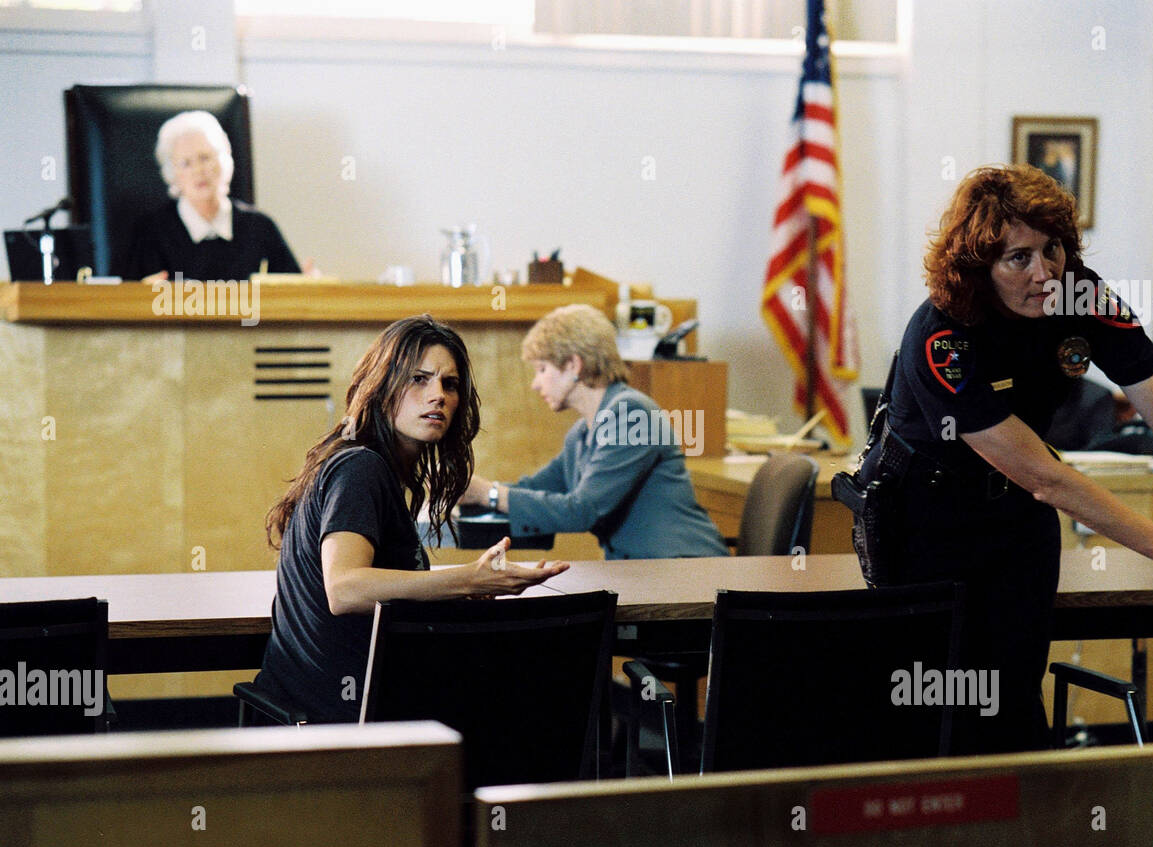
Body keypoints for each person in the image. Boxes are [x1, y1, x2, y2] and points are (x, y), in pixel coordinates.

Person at [843, 164, 1153, 754]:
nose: (1044, 274)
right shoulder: (943, 336)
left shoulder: (1080, 293)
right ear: (981, 267)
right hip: (926, 520)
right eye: (1019, 259)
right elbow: (1048, 477)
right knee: (937, 707)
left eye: (1053, 249)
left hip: (1015, 519)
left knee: (1011, 703)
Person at [256, 315, 568, 722]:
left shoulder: (375, 468)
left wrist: (466, 587)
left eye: (449, 384)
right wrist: (468, 579)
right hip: (341, 722)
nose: (437, 395)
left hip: (365, 705)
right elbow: (345, 589)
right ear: (383, 387)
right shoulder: (360, 468)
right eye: (418, 379)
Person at [461, 304, 729, 559]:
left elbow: (582, 510)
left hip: (684, 567)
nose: (535, 384)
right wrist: (468, 493)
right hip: (646, 571)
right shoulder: (582, 433)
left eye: (542, 369)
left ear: (573, 366)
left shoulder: (631, 414)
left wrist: (488, 493)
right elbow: (533, 489)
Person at [127, 110, 302, 282]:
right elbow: (117, 300)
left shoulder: (260, 227)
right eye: (186, 163)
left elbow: (295, 294)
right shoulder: (149, 233)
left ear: (225, 161)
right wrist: (141, 294)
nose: (199, 170)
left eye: (205, 158)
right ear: (171, 174)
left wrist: (308, 284)